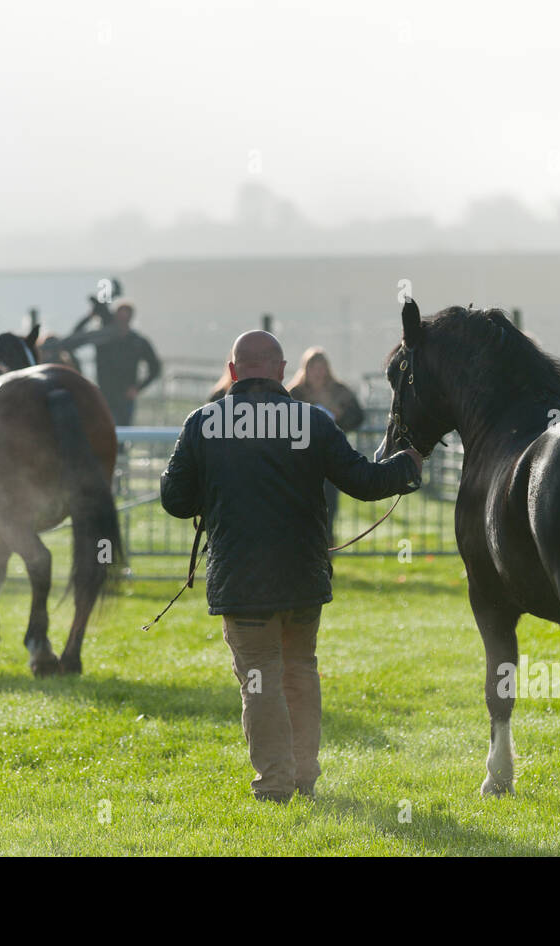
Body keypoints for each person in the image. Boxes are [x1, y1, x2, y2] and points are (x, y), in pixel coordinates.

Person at [160, 330, 423, 802]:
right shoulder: (313, 421)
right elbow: (363, 481)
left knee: (259, 678)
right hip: (302, 575)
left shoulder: (202, 423)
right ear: (282, 371)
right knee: (300, 671)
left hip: (240, 581)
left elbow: (174, 500)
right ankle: (304, 779)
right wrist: (407, 463)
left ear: (234, 371)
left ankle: (274, 786)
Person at [287, 347, 365, 543]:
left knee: (328, 506)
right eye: (314, 367)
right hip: (300, 459)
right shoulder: (295, 392)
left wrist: (340, 418)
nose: (318, 372)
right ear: (306, 368)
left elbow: (357, 415)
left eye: (322, 367)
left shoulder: (340, 391)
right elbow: (283, 419)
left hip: (330, 457)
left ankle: (326, 548)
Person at [66, 297, 161, 425]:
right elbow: (74, 339)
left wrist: (137, 388)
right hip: (104, 396)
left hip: (125, 399)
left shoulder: (137, 342)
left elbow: (155, 367)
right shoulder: (103, 338)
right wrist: (90, 316)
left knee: (123, 435)